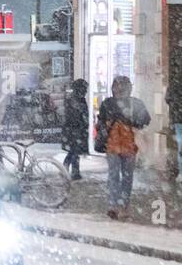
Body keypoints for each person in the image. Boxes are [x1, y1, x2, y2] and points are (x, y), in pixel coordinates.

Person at [96, 76, 151, 220]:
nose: (119, 90)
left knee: (115, 176)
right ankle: (122, 206)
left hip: (116, 145)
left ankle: (114, 205)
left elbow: (100, 122)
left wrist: (106, 127)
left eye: (120, 87)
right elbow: (145, 120)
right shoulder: (135, 103)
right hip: (126, 145)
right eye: (118, 87)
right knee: (126, 177)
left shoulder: (108, 103)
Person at [61, 78, 89, 181]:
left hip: (75, 129)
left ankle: (65, 167)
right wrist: (82, 125)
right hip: (75, 129)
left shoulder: (76, 98)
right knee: (75, 151)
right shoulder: (75, 100)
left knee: (73, 151)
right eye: (85, 88)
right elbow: (77, 115)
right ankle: (75, 172)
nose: (86, 91)